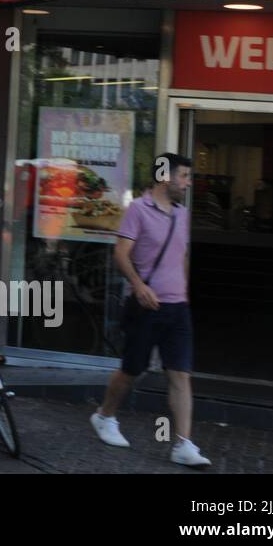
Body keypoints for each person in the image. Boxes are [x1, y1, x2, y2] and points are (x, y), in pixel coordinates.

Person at [91, 153, 210, 468]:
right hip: (146, 306)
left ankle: (183, 444)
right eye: (183, 176)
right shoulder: (138, 210)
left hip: (177, 308)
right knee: (132, 369)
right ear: (164, 176)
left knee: (180, 373)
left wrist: (182, 291)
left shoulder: (182, 215)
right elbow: (121, 253)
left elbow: (182, 254)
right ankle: (105, 416)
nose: (187, 183)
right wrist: (138, 286)